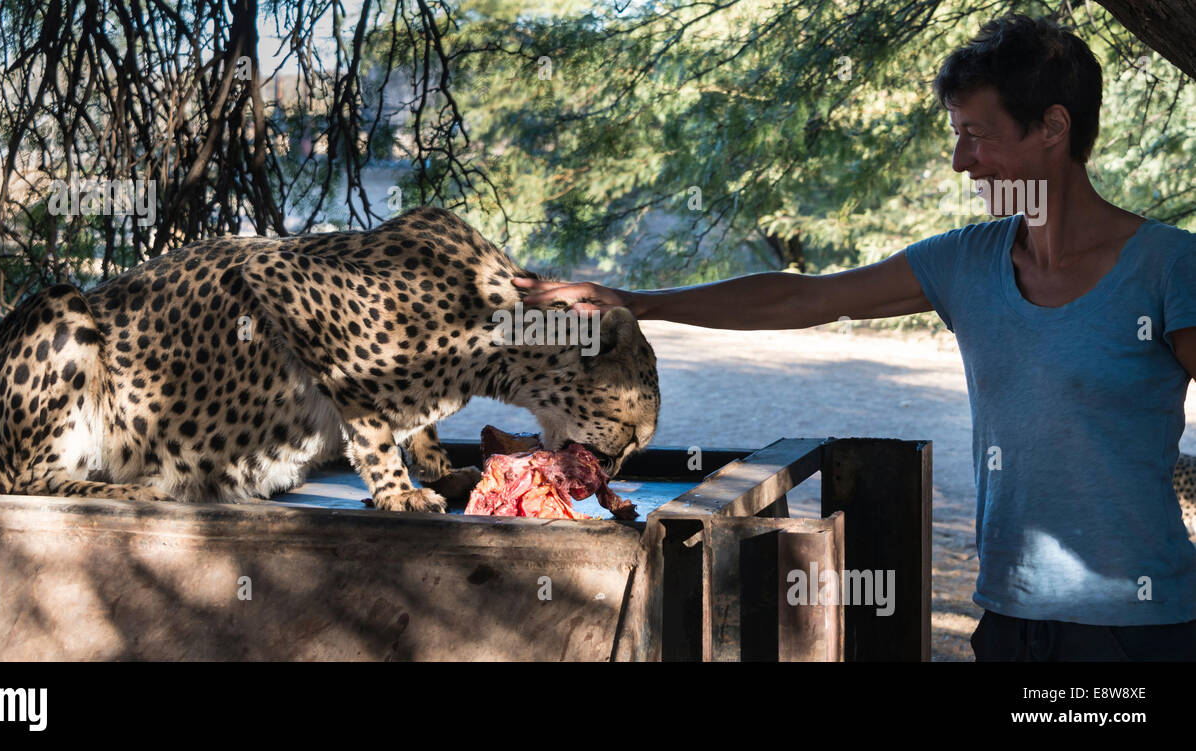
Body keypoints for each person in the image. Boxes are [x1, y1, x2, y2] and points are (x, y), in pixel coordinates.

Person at [512, 13, 1196, 661]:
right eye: (957, 135)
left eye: (977, 135)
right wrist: (629, 301)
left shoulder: (1169, 266)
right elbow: (808, 294)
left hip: (1141, 628)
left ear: (1053, 126)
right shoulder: (967, 262)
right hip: (1010, 618)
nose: (962, 161)